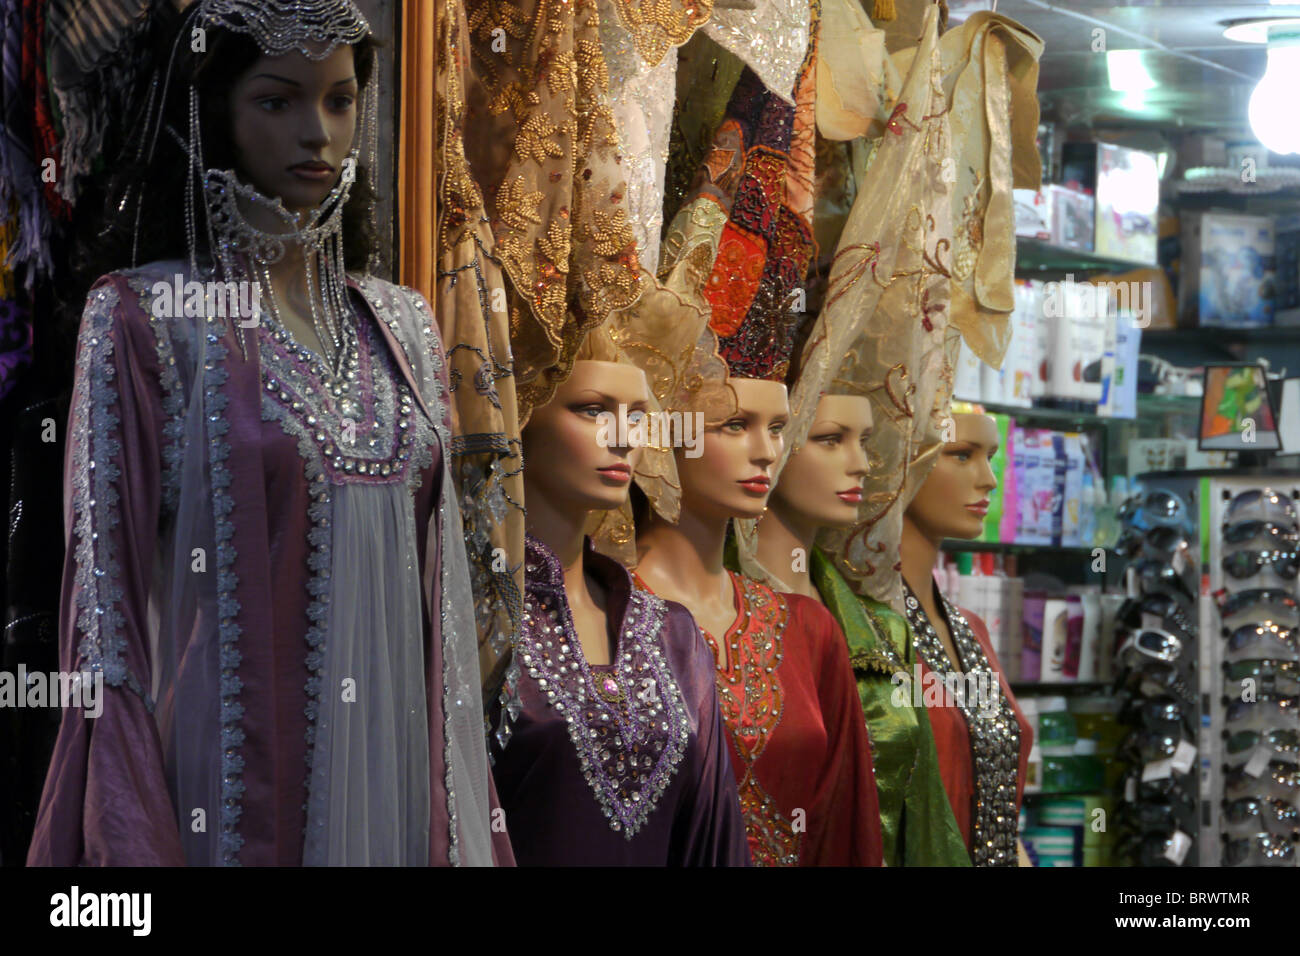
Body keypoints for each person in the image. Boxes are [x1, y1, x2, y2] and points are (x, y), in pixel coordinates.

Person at [27, 0, 503, 866]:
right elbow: (108, 627)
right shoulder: (144, 320)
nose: (317, 134)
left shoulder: (405, 328)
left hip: (396, 799)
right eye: (278, 101)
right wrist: (134, 839)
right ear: (215, 113)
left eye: (339, 100)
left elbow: (444, 631)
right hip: (223, 801)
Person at [488, 355, 749, 865]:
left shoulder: (671, 633)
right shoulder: (476, 620)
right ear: (518, 416)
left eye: (636, 415)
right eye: (591, 410)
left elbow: (710, 837)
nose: (623, 436)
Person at [751, 390, 971, 867]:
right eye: (830, 439)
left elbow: (925, 816)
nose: (861, 465)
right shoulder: (703, 624)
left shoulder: (885, 634)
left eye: (865, 442)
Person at [899, 412, 1034, 867]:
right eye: (961, 455)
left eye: (991, 457)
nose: (989, 480)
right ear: (900, 459)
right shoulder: (862, 631)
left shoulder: (970, 627)